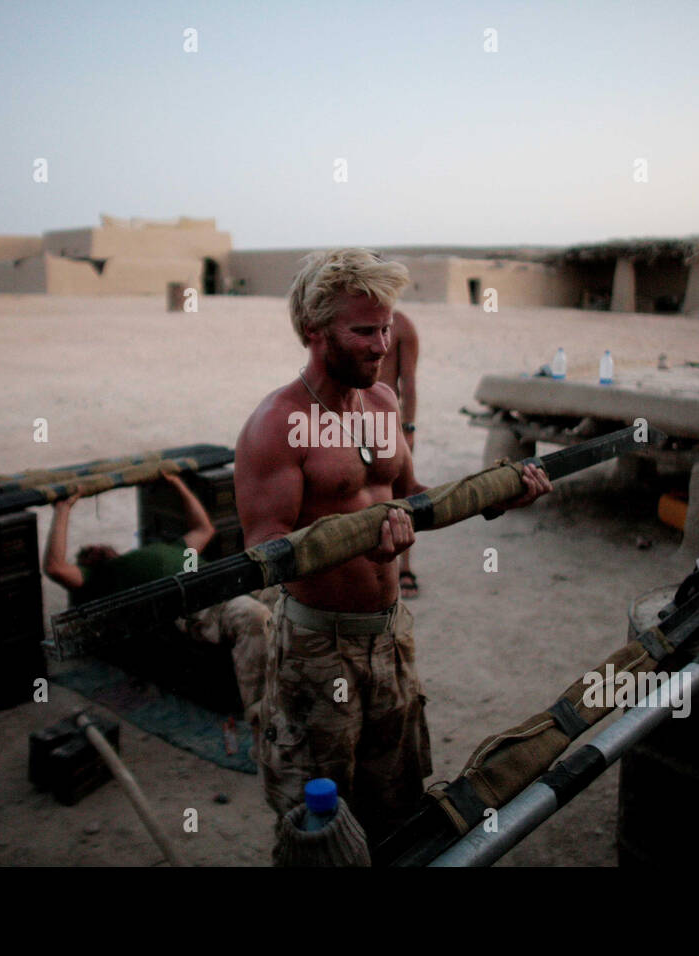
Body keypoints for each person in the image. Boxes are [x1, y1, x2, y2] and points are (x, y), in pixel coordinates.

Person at [235, 248, 552, 855]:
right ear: (314, 330)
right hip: (317, 649)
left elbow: (412, 497)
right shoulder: (276, 425)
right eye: (363, 331)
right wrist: (360, 545)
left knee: (398, 801)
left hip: (392, 637)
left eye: (386, 328)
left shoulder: (382, 406)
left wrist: (496, 496)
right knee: (321, 820)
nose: (382, 345)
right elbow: (265, 553)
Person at [42, 471, 274, 722]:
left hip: (226, 582)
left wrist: (177, 484)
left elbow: (203, 529)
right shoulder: (102, 576)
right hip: (198, 603)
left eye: (93, 545)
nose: (92, 548)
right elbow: (55, 566)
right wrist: (63, 509)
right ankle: (261, 712)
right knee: (256, 616)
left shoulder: (166, 550)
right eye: (85, 553)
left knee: (291, 594)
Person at [376, 308, 420, 598]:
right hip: (353, 416)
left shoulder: (402, 326)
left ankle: (404, 566)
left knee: (400, 493)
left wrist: (408, 428)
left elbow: (408, 381)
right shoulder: (348, 320)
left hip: (388, 419)